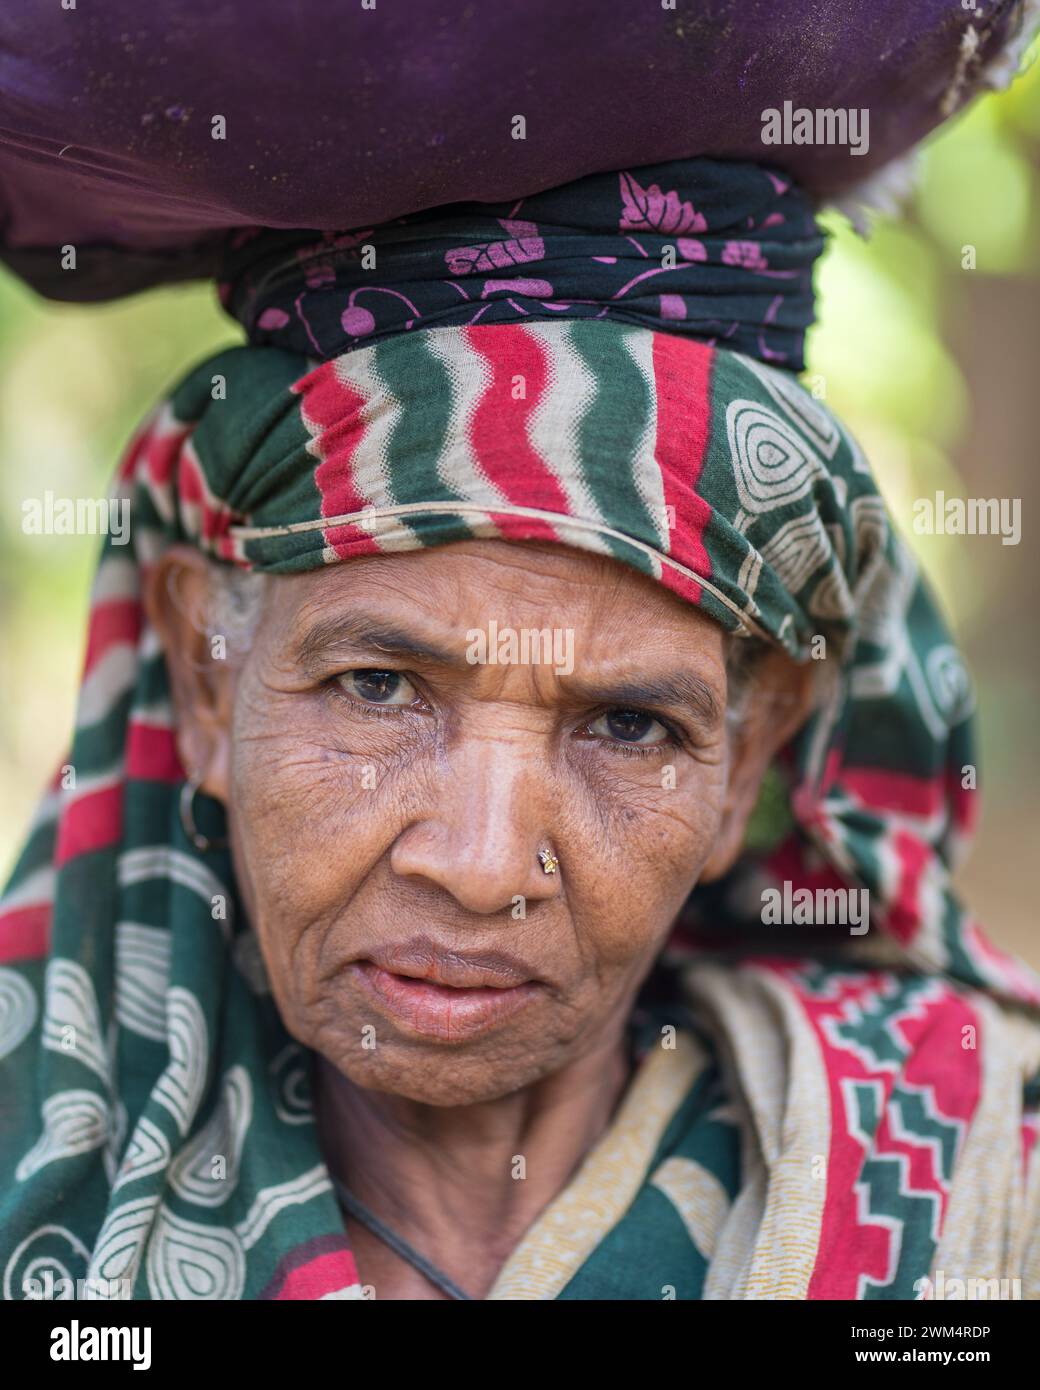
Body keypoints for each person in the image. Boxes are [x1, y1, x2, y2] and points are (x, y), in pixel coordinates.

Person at [2, 161, 1038, 1301]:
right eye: (376, 687)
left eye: (630, 725)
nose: (484, 865)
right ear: (209, 685)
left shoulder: (992, 1195)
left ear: (745, 757)